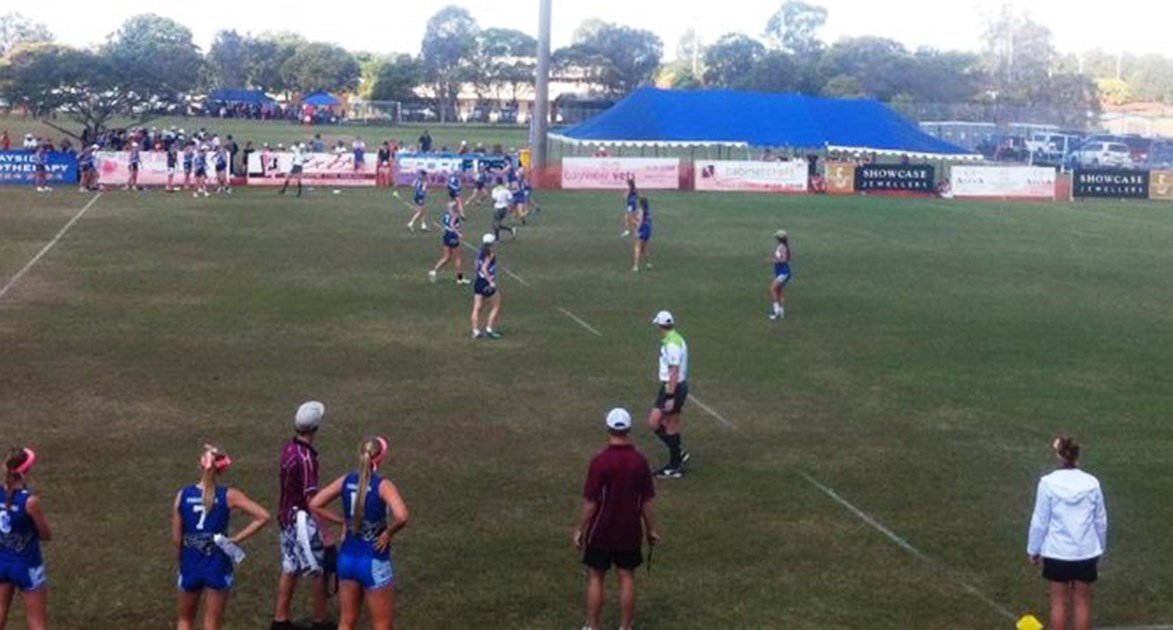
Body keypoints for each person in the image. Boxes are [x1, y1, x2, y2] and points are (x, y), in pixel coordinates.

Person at [310, 437, 409, 630]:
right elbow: (402, 516)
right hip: (373, 560)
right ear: (379, 459)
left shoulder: (346, 480)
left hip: (347, 559)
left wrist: (343, 522)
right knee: (383, 625)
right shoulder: (383, 485)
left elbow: (315, 504)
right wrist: (388, 533)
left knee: (347, 622)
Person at [574, 409, 658, 630]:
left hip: (601, 531)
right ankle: (626, 627)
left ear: (608, 428)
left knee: (595, 578)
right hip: (629, 531)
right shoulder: (639, 461)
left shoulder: (600, 462)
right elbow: (647, 500)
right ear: (629, 430)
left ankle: (593, 626)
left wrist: (580, 529)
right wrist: (651, 529)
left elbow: (591, 502)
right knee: (627, 577)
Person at [173, 445, 270, 630]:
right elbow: (263, 516)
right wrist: (235, 540)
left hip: (190, 563)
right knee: (213, 624)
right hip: (217, 563)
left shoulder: (182, 496)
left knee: (185, 621)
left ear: (201, 465)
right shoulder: (228, 495)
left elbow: (177, 540)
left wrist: (181, 564)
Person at [1027, 436, 1108, 630]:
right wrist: (1100, 548)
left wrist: (1033, 549)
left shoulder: (1048, 483)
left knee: (1058, 603)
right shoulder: (1092, 483)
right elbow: (1101, 520)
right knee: (1083, 602)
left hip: (1057, 551)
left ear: (1059, 456)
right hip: (1085, 551)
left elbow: (1040, 520)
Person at [272, 402, 334, 630]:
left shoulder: (288, 449)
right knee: (319, 569)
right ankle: (320, 621)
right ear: (315, 428)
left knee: (290, 567)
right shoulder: (307, 458)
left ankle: (280, 619)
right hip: (302, 521)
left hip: (286, 517)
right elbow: (312, 499)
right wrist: (326, 532)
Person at [0, 447, 52, 630]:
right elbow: (46, 535)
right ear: (25, 471)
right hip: (27, 565)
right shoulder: (30, 502)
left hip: (2, 562)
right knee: (37, 621)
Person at [648, 311, 690, 478]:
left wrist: (670, 396)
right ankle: (677, 456)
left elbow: (674, 370)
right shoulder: (675, 338)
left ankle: (675, 465)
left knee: (663, 423)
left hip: (673, 387)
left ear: (659, 325)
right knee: (661, 422)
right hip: (672, 386)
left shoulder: (671, 344)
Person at [470, 234, 502, 339]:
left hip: (478, 282)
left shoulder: (480, 253)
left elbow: (476, 266)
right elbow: (484, 268)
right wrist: (490, 281)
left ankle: (475, 331)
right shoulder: (491, 254)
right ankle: (489, 329)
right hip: (486, 283)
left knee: (477, 307)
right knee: (496, 305)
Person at [429, 201, 469, 285]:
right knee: (458, 257)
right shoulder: (455, 214)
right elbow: (452, 224)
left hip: (446, 235)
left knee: (446, 257)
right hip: (452, 235)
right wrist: (458, 233)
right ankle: (460, 279)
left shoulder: (447, 214)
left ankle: (434, 271)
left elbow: (449, 222)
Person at [769, 230, 791, 321]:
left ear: (779, 238)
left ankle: (776, 312)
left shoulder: (782, 247)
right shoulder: (782, 246)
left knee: (772, 289)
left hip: (783, 272)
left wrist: (773, 261)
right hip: (780, 272)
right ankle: (781, 312)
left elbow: (784, 260)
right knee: (779, 291)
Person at [490, 177, 516, 241]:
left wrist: (492, 204)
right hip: (504, 208)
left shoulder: (495, 190)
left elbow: (494, 199)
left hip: (498, 208)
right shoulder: (506, 190)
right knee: (496, 224)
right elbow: (511, 199)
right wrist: (511, 208)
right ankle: (510, 230)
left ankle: (498, 238)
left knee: (495, 224)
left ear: (496, 182)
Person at [632, 197, 653, 273]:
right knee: (643, 248)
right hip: (648, 231)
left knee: (637, 247)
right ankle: (648, 264)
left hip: (643, 230)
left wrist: (637, 230)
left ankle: (636, 266)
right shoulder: (648, 211)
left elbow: (640, 222)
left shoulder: (641, 211)